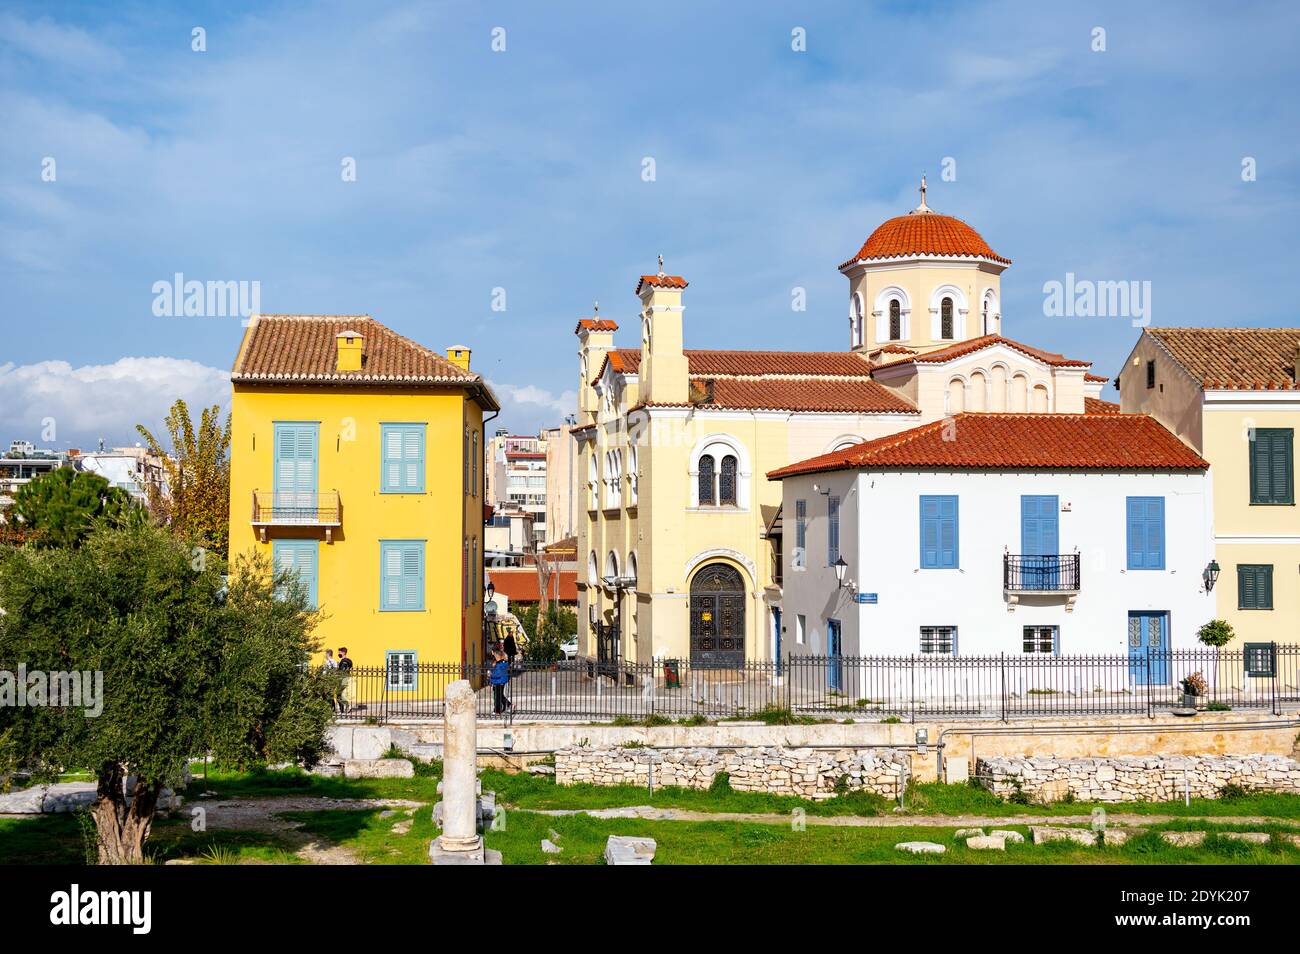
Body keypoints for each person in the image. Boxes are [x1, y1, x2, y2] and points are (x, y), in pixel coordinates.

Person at [489, 644, 512, 715]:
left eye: (492, 651)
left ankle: (497, 710)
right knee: (499, 695)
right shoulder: (501, 660)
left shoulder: (499, 661)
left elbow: (497, 673)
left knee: (497, 695)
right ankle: (509, 705)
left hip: (499, 680)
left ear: (493, 652)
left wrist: (490, 674)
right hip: (499, 680)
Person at [337, 647, 353, 714]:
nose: (339, 653)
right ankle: (345, 708)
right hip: (346, 678)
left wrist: (338, 671)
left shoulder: (344, 661)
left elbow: (343, 670)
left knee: (339, 694)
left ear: (343, 653)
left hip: (343, 678)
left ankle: (344, 708)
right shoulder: (348, 661)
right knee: (341, 694)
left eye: (340, 652)